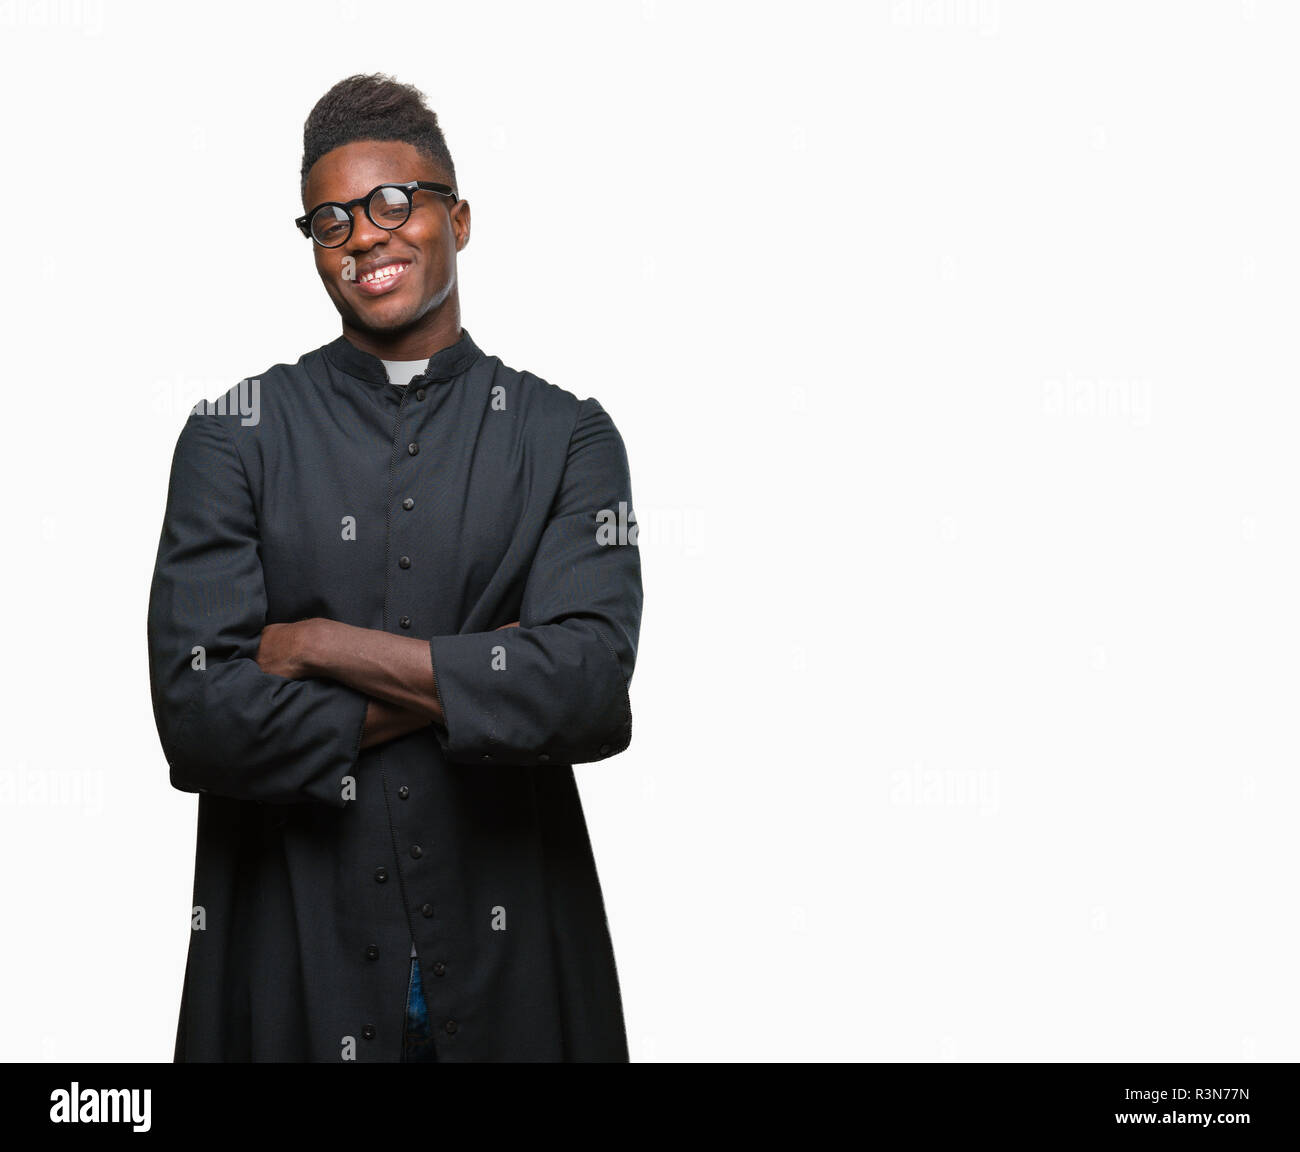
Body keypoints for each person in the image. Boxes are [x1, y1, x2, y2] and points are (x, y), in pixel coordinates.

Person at [146, 73, 642, 1062]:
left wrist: (318, 646)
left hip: (515, 969)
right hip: (294, 956)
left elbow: (588, 692)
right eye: (329, 219)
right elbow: (198, 720)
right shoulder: (231, 436)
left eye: (392, 202)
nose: (363, 234)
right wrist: (480, 675)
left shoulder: (568, 436)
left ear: (456, 217)